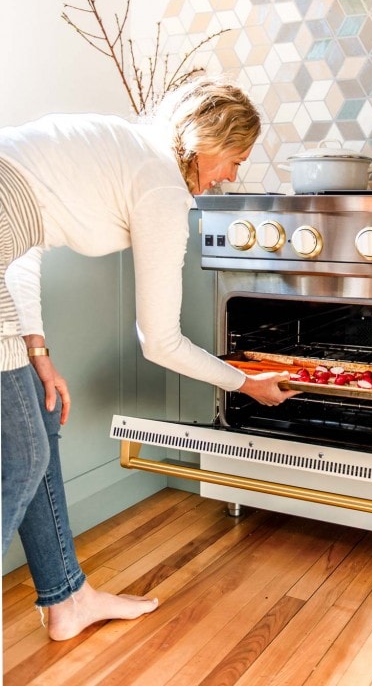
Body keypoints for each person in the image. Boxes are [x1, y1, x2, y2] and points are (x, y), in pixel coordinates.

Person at [0, 75, 297, 641]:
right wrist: (243, 383)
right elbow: (159, 340)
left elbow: (23, 244)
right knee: (21, 458)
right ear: (207, 140)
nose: (233, 175)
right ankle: (67, 598)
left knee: (35, 429)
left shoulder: (130, 147)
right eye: (236, 158)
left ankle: (67, 598)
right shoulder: (161, 182)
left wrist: (36, 349)